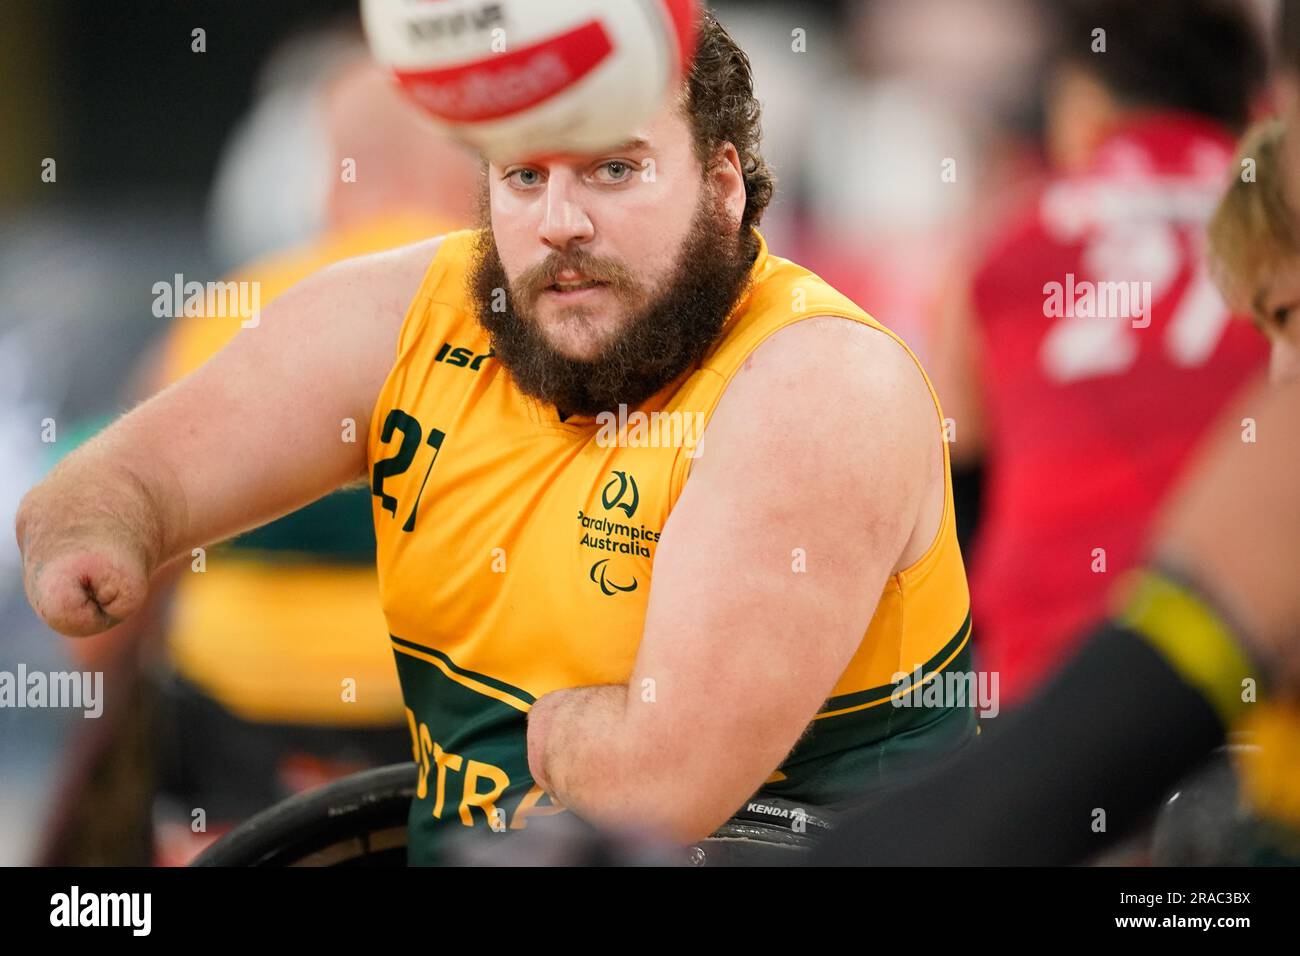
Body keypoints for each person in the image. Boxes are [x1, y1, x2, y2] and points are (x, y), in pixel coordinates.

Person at [16, 10, 974, 864]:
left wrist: (548, 739)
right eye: (523, 176)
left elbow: (655, 790)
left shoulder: (820, 381)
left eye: (613, 169)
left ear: (724, 184)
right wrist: (105, 526)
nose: (560, 222)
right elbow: (120, 483)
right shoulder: (414, 310)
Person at [932, 0, 1269, 707]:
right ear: (1256, 112)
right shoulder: (1280, 235)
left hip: (1043, 695)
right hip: (1252, 667)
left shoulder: (1004, 245)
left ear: (1083, 105)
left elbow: (953, 490)